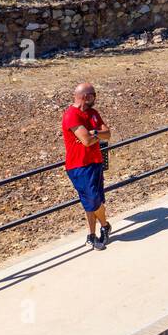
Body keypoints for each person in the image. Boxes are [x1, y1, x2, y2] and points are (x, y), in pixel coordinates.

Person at [62, 82, 111, 251]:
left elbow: (108, 134)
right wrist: (94, 135)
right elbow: (86, 140)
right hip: (79, 166)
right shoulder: (71, 115)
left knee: (92, 201)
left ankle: (91, 235)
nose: (95, 98)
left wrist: (95, 132)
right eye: (93, 95)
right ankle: (104, 225)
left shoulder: (93, 113)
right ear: (84, 97)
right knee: (92, 200)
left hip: (95, 161)